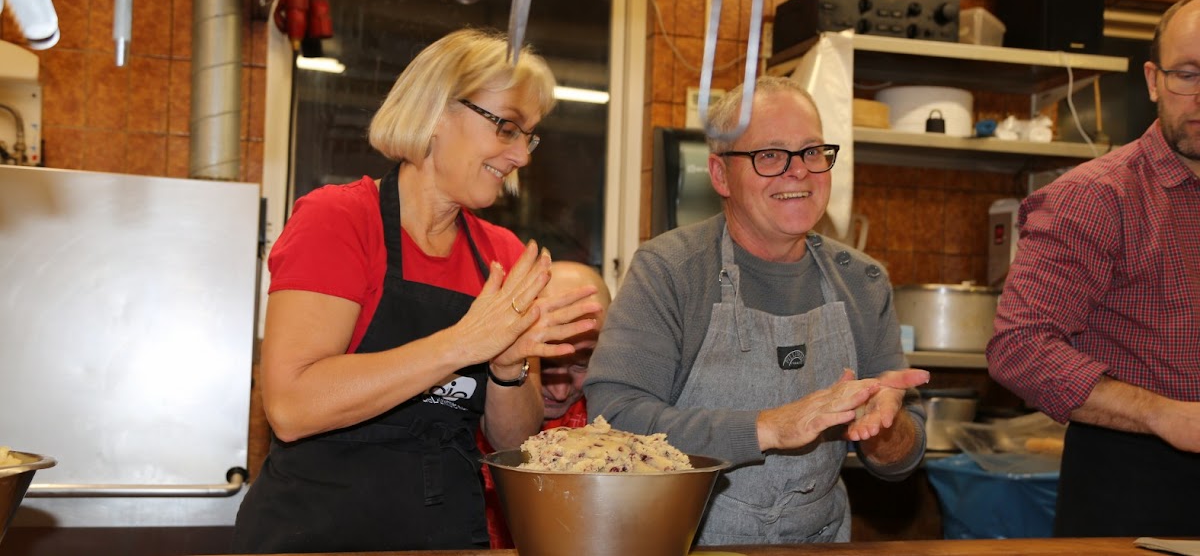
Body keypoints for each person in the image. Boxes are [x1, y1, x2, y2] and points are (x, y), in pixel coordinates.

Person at [231, 28, 602, 553]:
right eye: (507, 128)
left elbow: (515, 443)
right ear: (436, 112)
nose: (521, 155)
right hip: (314, 532)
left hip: (447, 533)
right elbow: (293, 406)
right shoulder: (339, 219)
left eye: (529, 136)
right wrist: (461, 345)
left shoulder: (503, 257)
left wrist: (506, 367)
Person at [583, 76, 930, 545]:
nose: (799, 172)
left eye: (811, 152)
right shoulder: (671, 271)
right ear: (720, 175)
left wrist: (885, 428)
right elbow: (614, 421)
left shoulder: (862, 282)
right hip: (685, 543)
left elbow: (899, 462)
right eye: (769, 155)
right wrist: (767, 427)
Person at [986, 0, 1200, 538]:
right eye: (1188, 74)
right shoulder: (1096, 197)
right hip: (1137, 489)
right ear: (1153, 80)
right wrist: (1162, 414)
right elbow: (1020, 348)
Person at [478, 260, 612, 548]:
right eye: (547, 363)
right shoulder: (472, 399)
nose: (562, 392)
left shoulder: (610, 411)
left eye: (581, 365)